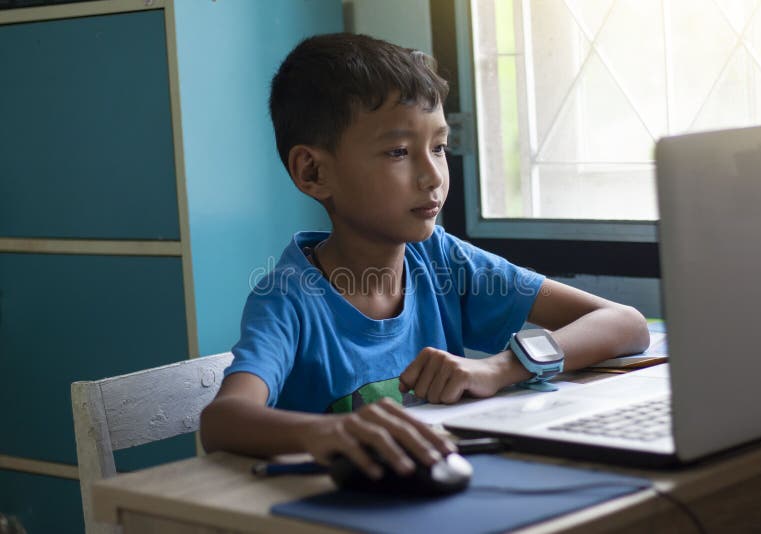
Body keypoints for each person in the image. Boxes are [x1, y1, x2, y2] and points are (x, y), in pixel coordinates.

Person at [200, 33, 649, 480]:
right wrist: (332, 431)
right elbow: (222, 420)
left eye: (438, 147)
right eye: (398, 152)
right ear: (313, 172)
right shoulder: (288, 300)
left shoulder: (439, 260)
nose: (433, 175)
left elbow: (625, 324)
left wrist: (502, 367)